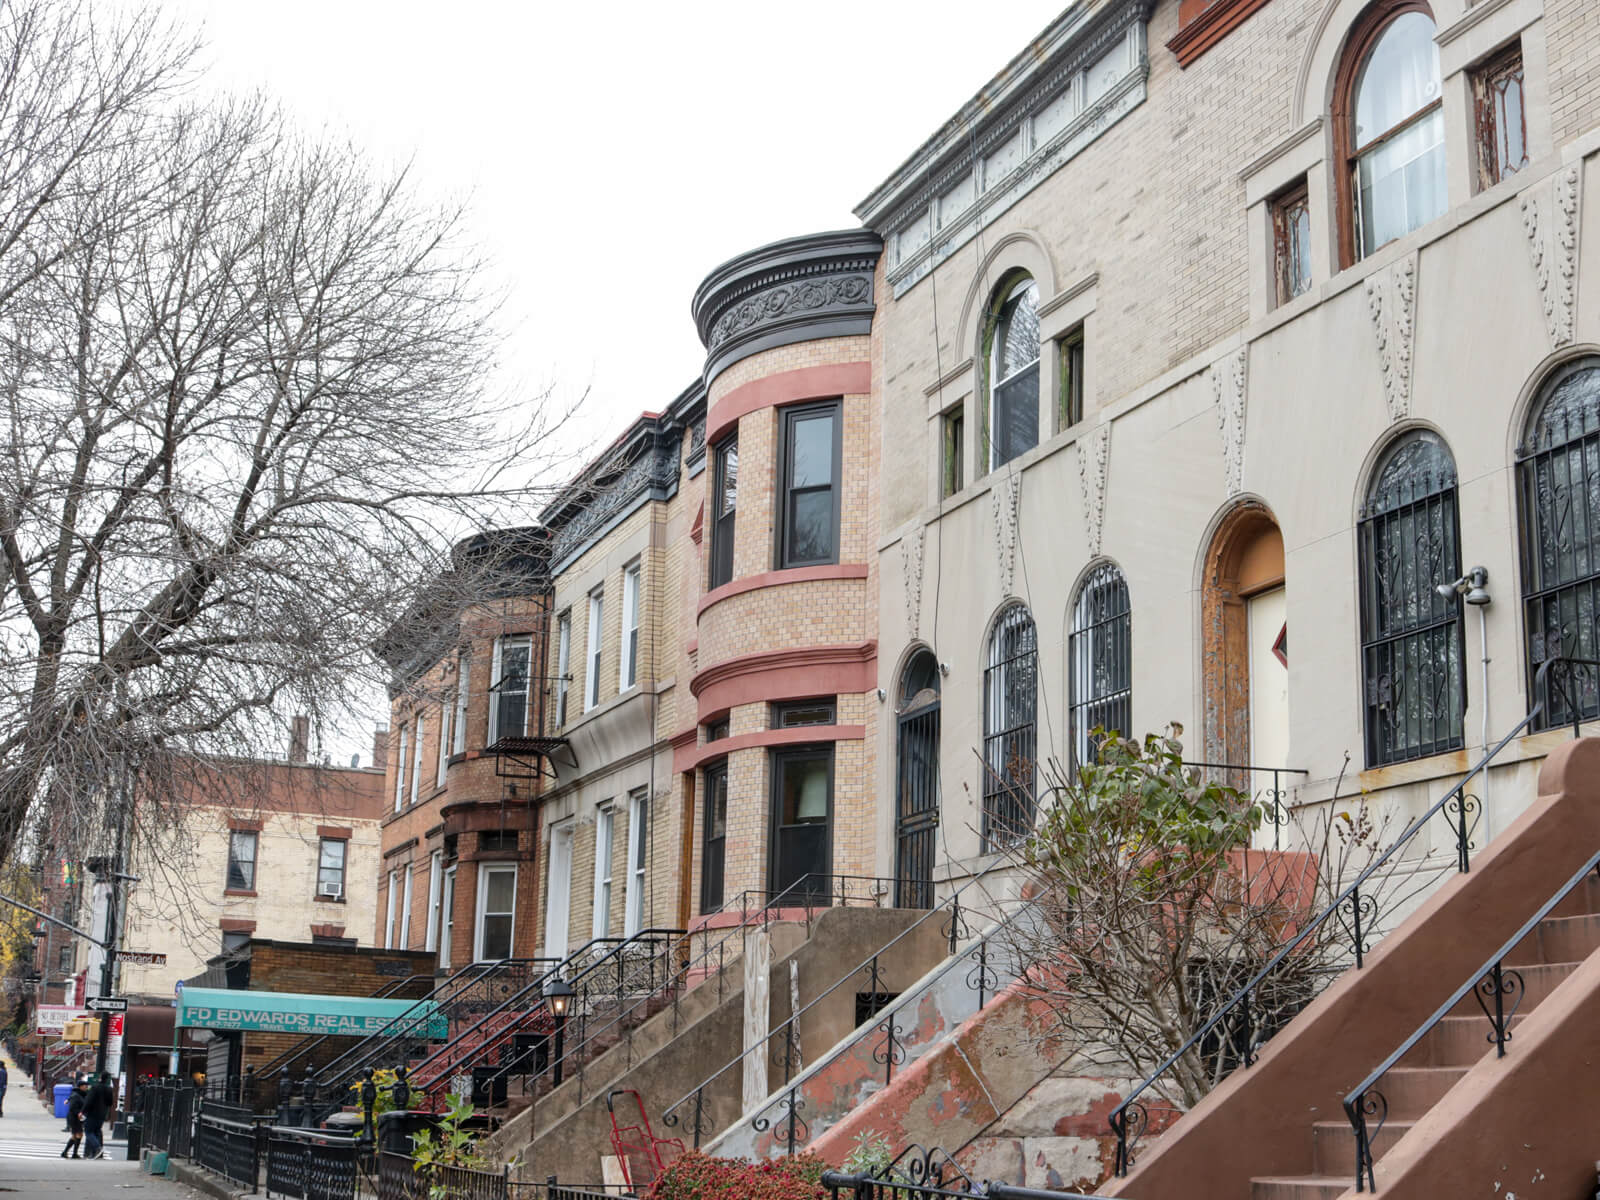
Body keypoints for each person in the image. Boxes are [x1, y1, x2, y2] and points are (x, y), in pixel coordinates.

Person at [82, 1072, 114, 1160]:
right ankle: (92, 1153)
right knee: (96, 1131)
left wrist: (83, 1111)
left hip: (93, 1113)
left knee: (88, 1132)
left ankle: (97, 1148)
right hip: (102, 1114)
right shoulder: (109, 1089)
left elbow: (89, 1100)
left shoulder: (95, 1087)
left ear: (100, 1078)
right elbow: (110, 1102)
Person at [61, 1079, 87, 1158]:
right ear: (81, 1086)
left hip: (76, 1117)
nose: (86, 1087)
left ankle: (66, 1152)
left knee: (75, 1135)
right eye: (85, 1086)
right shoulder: (76, 1095)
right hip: (74, 1118)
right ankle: (73, 1153)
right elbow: (72, 1107)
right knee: (79, 1134)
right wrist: (79, 1113)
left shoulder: (81, 1094)